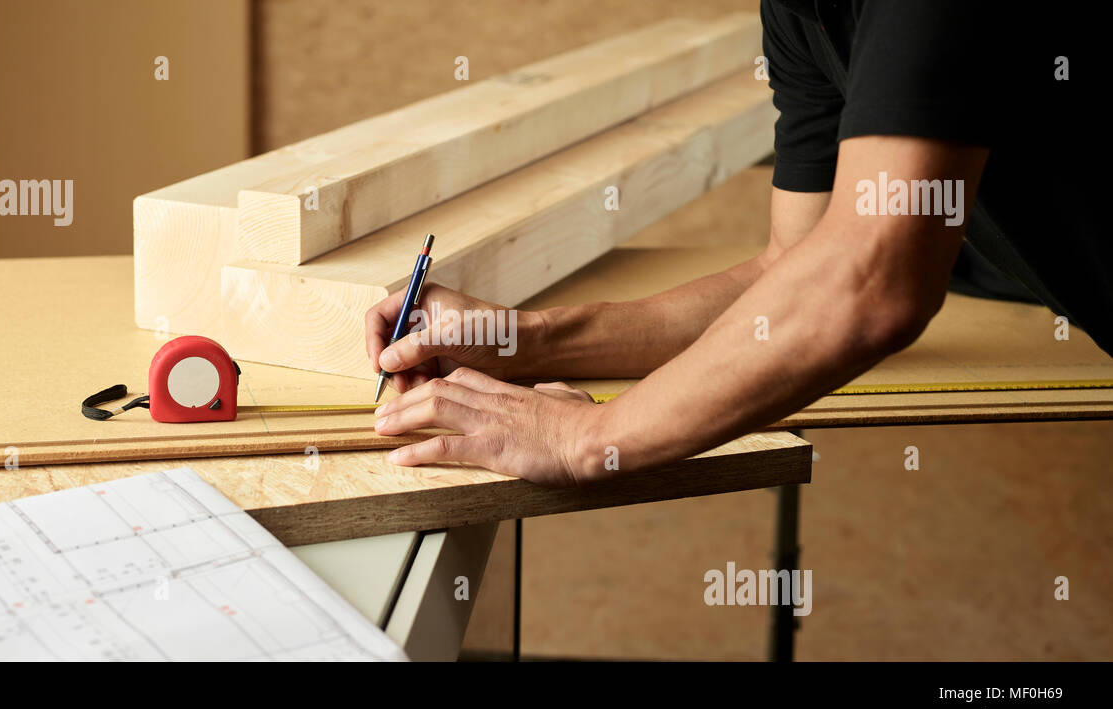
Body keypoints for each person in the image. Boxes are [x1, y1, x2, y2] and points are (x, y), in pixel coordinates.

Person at [364, 1, 1105, 486]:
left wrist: (587, 437)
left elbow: (871, 283)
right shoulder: (799, 10)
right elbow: (795, 263)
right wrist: (521, 340)